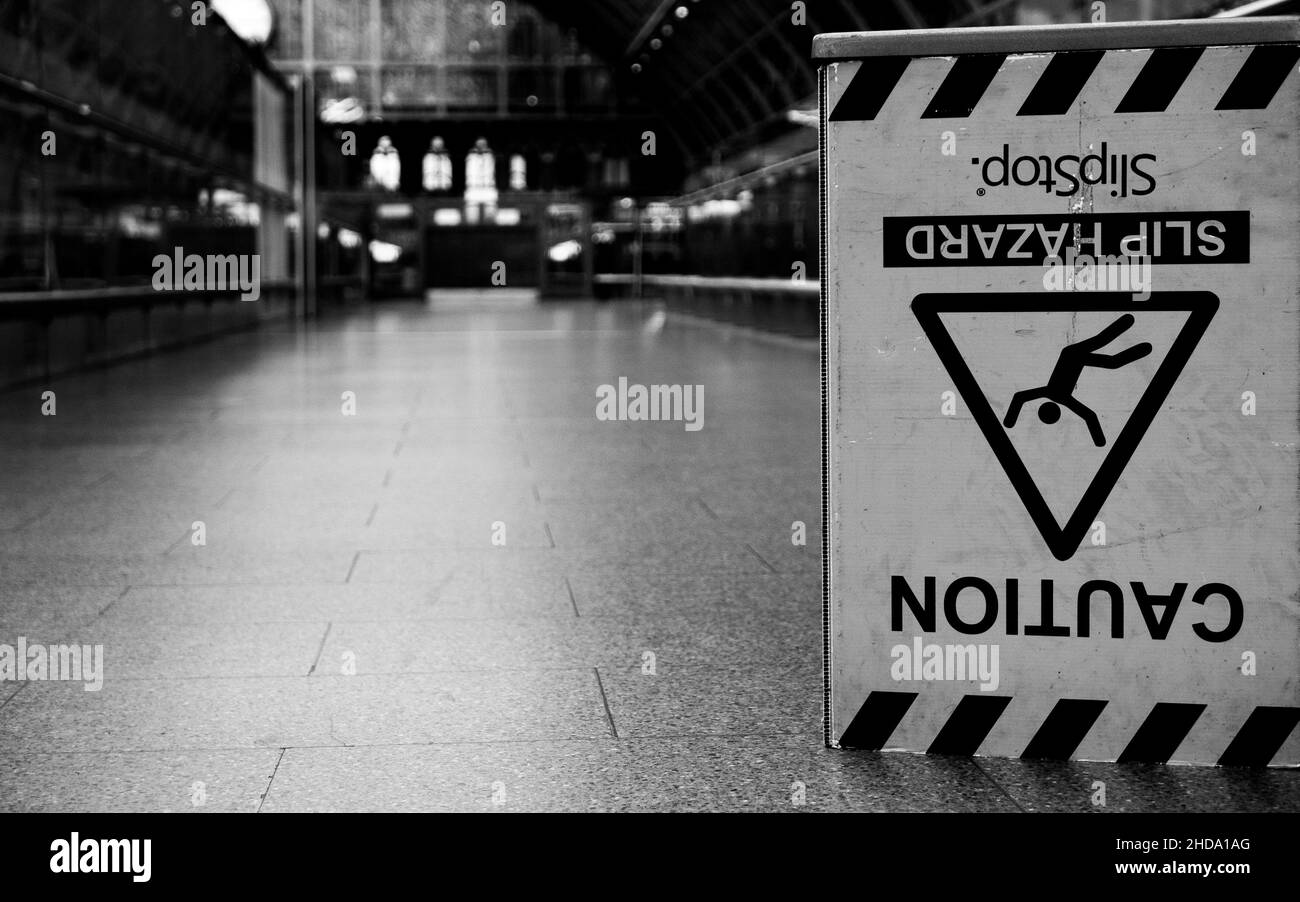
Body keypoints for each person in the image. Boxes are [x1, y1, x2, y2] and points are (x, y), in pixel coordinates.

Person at [1003, 314, 1152, 448]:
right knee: (1105, 348)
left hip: (1071, 355)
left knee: (1110, 357)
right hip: (1070, 355)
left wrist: (1010, 422)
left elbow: (1089, 416)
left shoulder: (1061, 398)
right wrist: (1010, 420)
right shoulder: (1048, 393)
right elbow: (1020, 397)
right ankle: (1132, 327)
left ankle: (1133, 330)